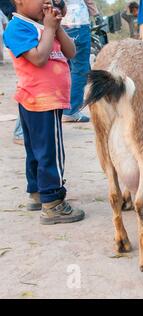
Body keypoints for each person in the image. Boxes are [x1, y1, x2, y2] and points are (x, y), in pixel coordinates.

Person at [3, 0, 85, 224]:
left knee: (38, 150)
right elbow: (38, 58)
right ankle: (53, 202)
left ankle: (38, 192)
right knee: (49, 152)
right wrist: (49, 29)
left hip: (47, 100)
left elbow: (71, 52)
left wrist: (55, 27)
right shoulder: (16, 28)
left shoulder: (43, 26)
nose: (47, 2)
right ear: (19, 1)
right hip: (40, 100)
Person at [61, 0, 101, 122]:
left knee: (63, 65)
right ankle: (71, 110)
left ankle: (60, 106)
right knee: (80, 69)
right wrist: (96, 14)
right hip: (77, 20)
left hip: (59, 21)